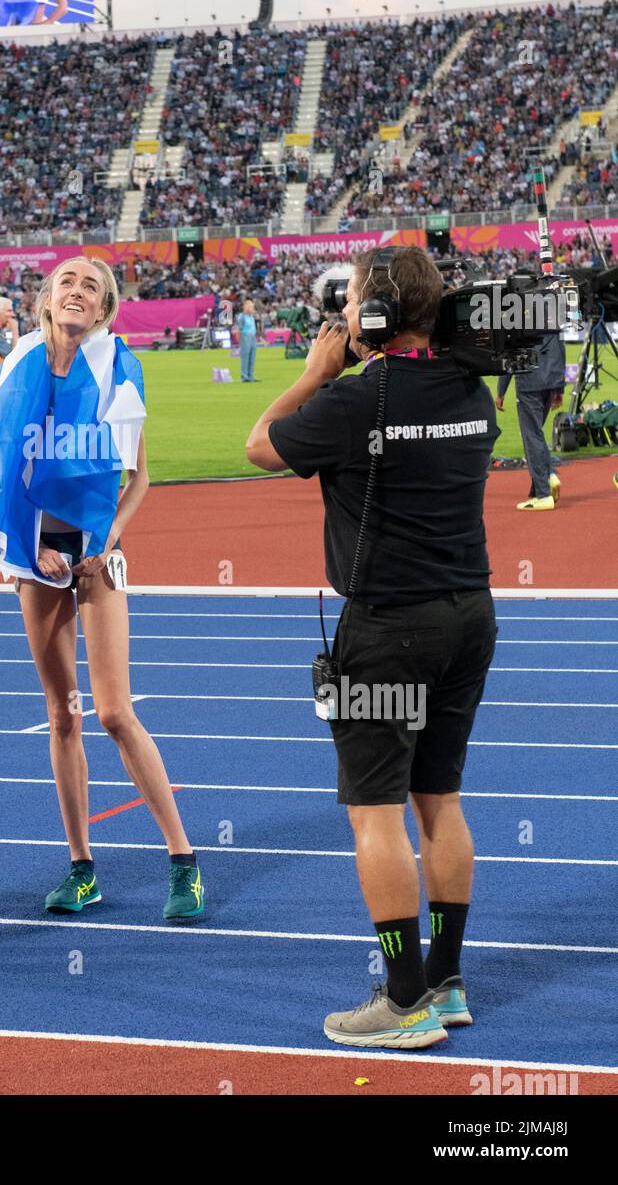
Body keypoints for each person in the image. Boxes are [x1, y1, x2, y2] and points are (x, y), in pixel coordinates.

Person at [246, 246, 499, 1050]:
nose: (345, 312)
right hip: (469, 615)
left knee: (374, 813)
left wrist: (320, 369)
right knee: (441, 800)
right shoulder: (473, 387)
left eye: (353, 300)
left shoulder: (355, 400)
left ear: (377, 315)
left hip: (388, 630)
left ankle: (401, 1000)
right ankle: (447, 981)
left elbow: (259, 444)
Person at [0, 257, 204, 921]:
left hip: (97, 550)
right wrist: (32, 549)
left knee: (112, 711)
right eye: (67, 283)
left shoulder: (117, 369)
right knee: (61, 715)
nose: (78, 292)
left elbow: (138, 477)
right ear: (47, 301)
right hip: (30, 549)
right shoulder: (17, 367)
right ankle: (82, 869)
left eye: (92, 288)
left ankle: (183, 861)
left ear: (103, 311)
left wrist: (106, 539)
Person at [495, 328, 565, 511]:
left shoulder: (517, 315)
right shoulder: (549, 310)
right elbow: (560, 347)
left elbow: (510, 355)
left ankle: (543, 492)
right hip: (550, 382)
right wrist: (559, 388)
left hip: (529, 383)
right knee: (536, 434)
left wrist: (501, 391)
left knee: (532, 436)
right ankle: (543, 482)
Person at [236, 297, 258, 382]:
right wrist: (239, 341)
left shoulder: (251, 317)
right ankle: (244, 376)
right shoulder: (242, 317)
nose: (253, 309)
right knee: (245, 357)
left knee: (252, 357)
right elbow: (239, 329)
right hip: (245, 337)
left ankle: (251, 376)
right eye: (251, 307)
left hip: (252, 337)